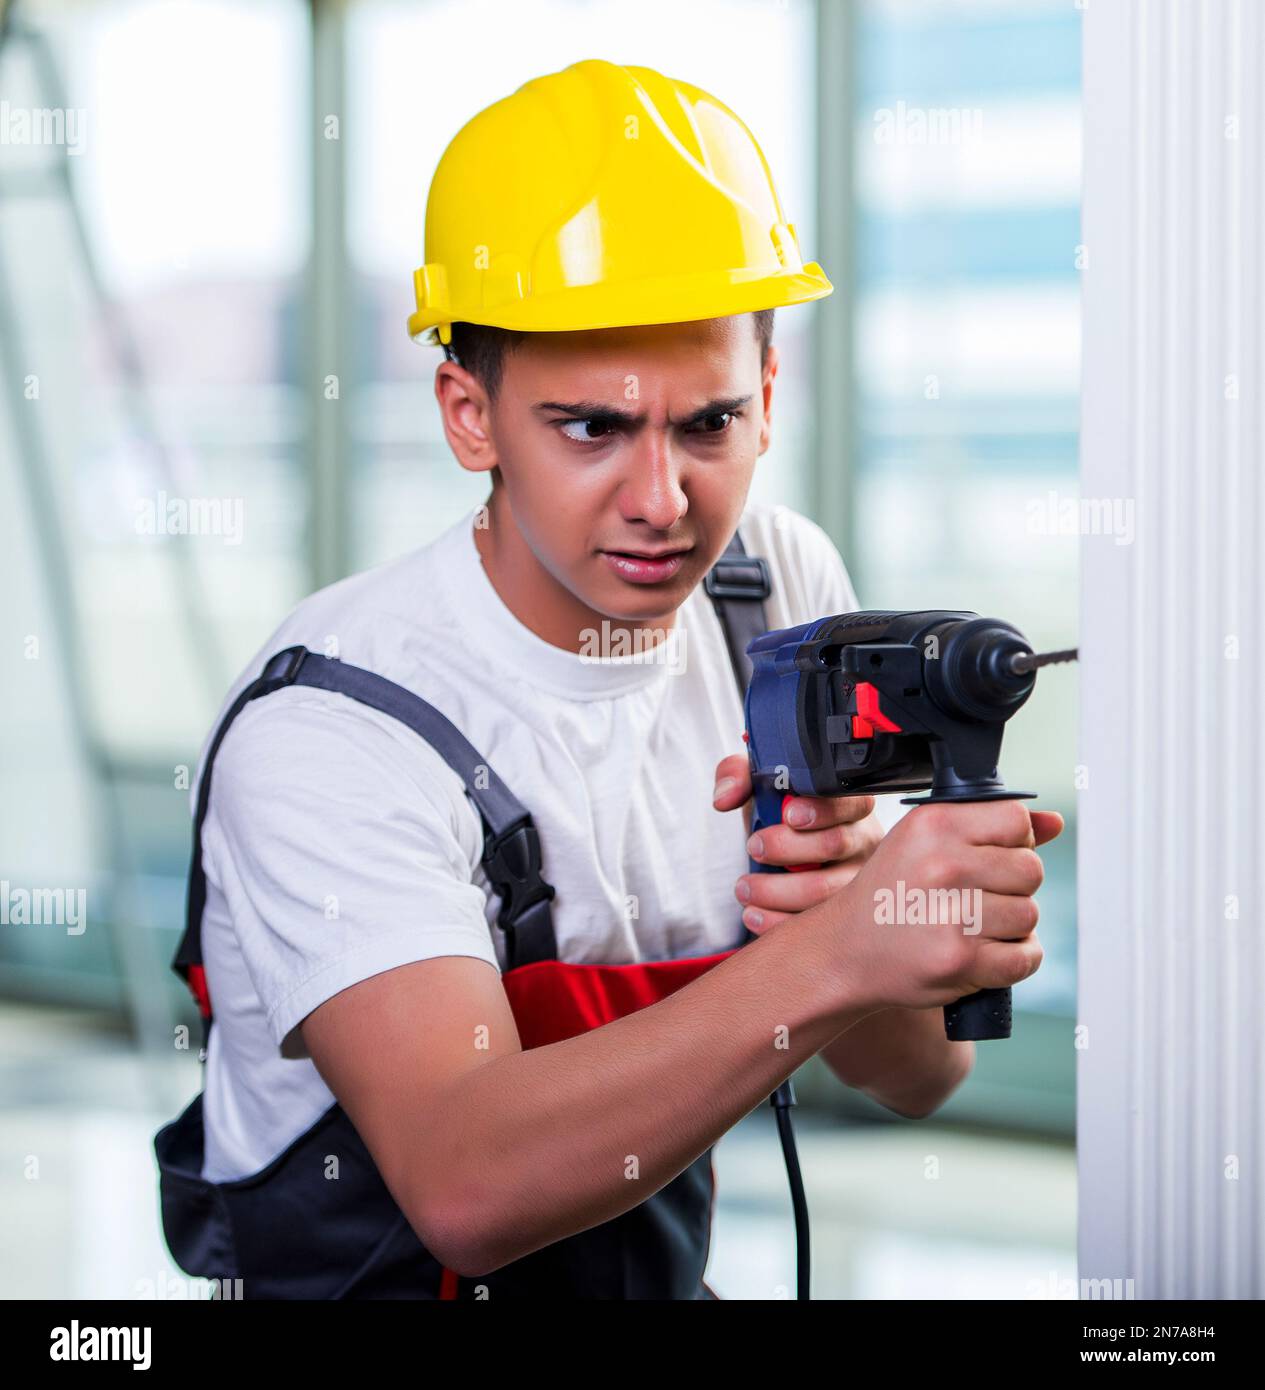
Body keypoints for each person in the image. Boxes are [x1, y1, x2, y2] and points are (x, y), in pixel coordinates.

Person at [154, 58, 1061, 1300]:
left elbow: (913, 1078)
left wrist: (883, 915)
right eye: (591, 427)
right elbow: (465, 1188)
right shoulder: (332, 724)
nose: (660, 503)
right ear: (468, 414)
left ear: (768, 394)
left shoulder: (770, 594)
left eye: (707, 425)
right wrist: (841, 948)